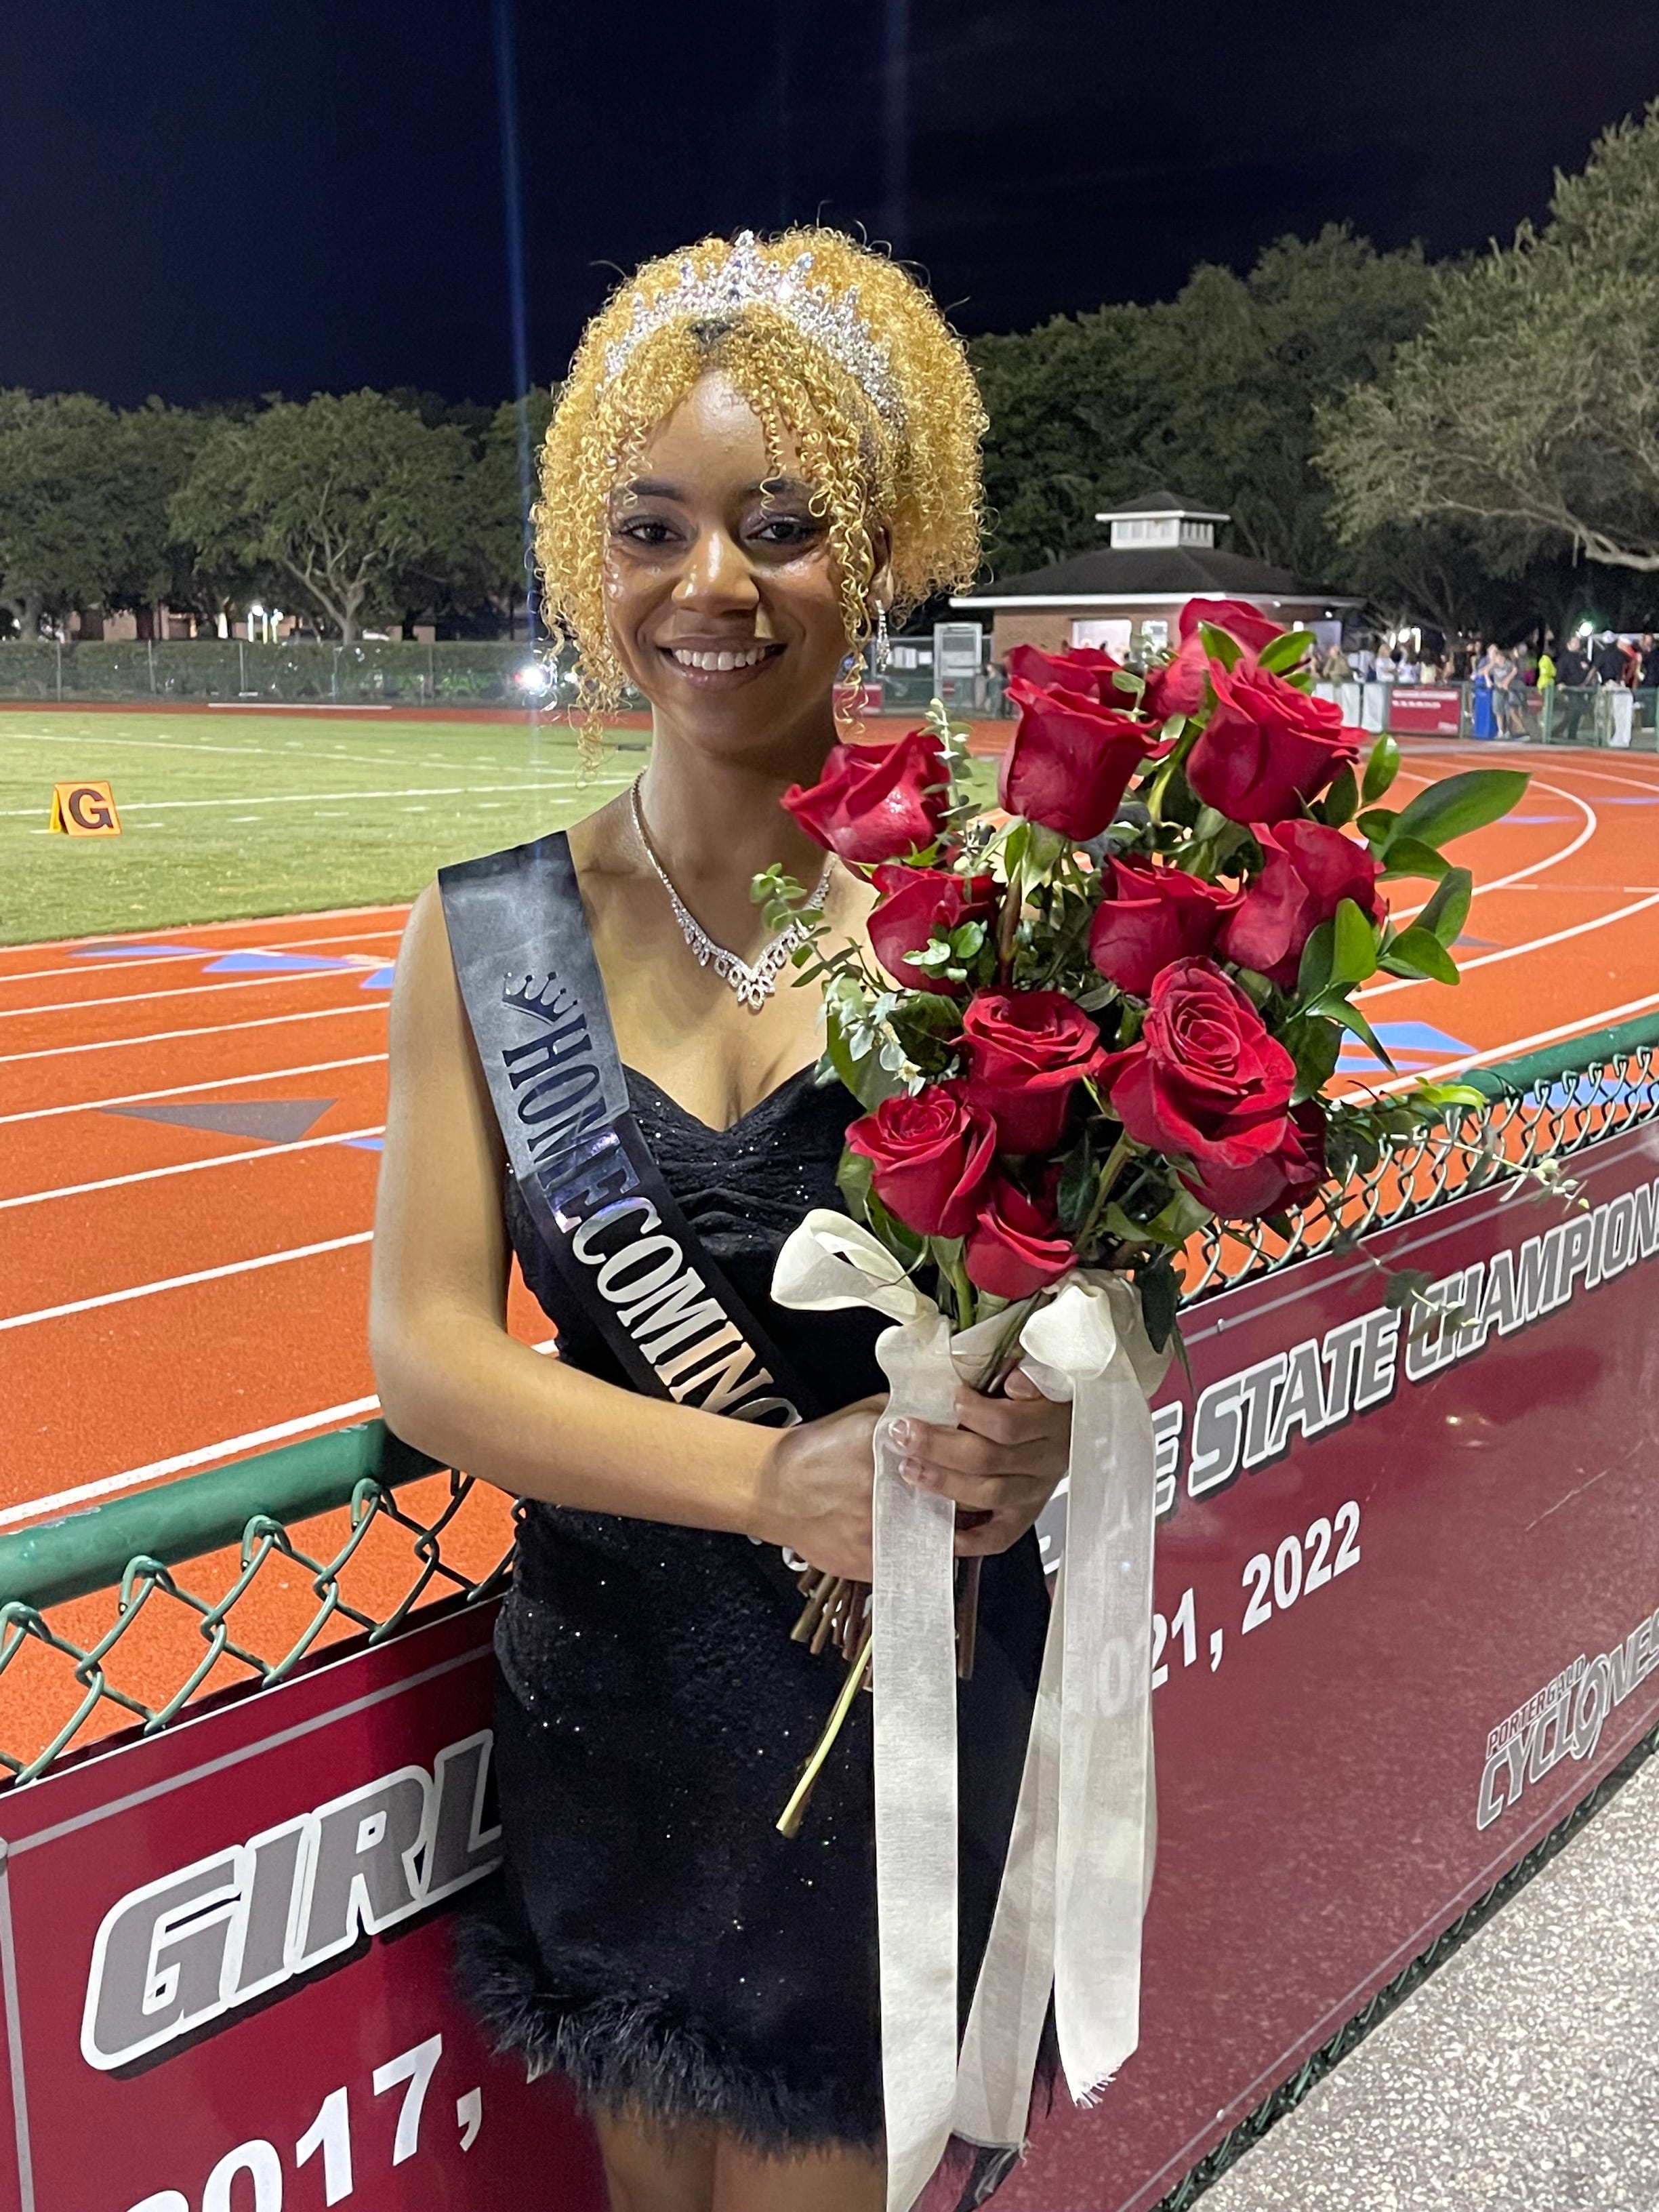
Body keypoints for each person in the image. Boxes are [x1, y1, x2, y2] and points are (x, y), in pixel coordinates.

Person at [369, 229, 1070, 2212]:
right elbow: (426, 1353)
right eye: (652, 526)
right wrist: (773, 1483)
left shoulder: (992, 913)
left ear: (883, 544)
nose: (713, 585)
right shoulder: (479, 931)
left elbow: (1098, 1305)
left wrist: (1055, 1426)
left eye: (783, 523)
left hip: (888, 1733)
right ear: (591, 564)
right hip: (614, 1709)